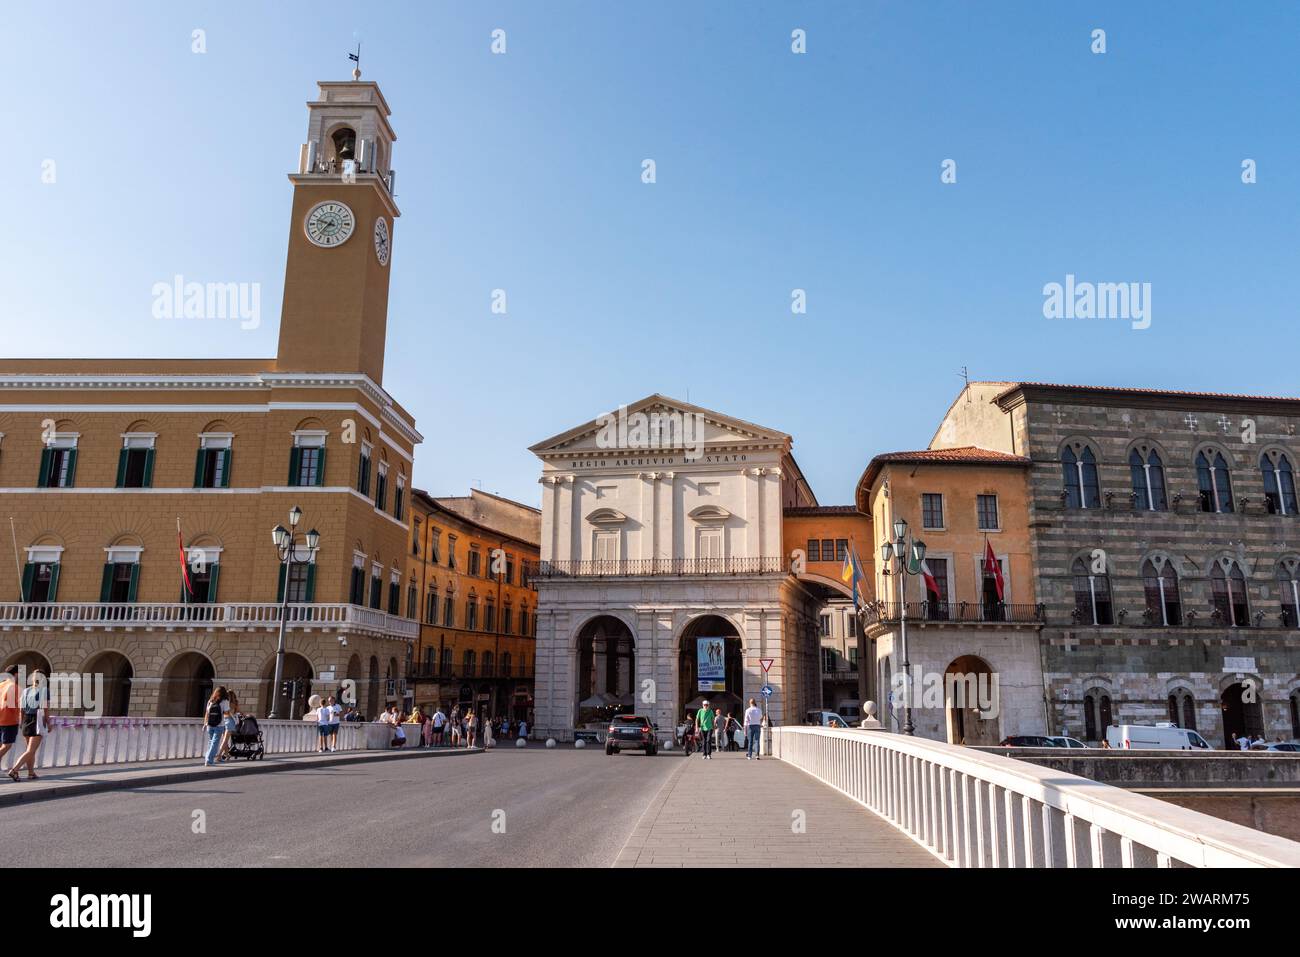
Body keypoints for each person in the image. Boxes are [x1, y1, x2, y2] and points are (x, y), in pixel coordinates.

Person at [0, 665, 20, 774]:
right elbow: (14, 705)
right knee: (7, 745)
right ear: (16, 674)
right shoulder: (13, 686)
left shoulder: (1, 685)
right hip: (9, 719)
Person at [202, 686, 228, 767]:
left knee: (210, 742)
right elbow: (226, 713)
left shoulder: (210, 701)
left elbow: (207, 713)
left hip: (210, 724)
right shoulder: (224, 701)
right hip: (219, 725)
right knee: (215, 743)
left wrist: (205, 723)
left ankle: (208, 759)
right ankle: (209, 761)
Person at [218, 689, 241, 761]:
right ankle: (219, 756)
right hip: (230, 721)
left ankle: (226, 755)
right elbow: (237, 711)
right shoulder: (235, 703)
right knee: (225, 740)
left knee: (224, 740)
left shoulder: (224, 702)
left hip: (223, 721)